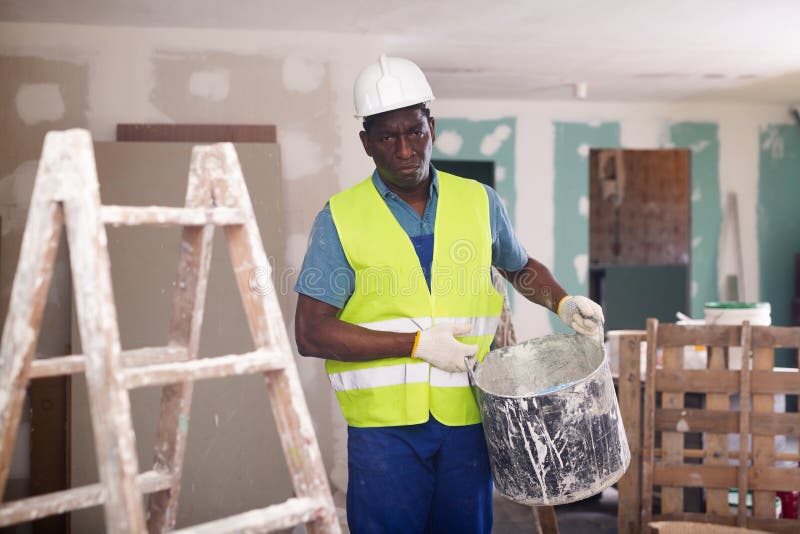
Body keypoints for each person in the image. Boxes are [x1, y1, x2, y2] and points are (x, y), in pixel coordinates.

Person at [293, 54, 603, 534]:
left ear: (431, 127)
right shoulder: (339, 218)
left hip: (468, 424)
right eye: (387, 137)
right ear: (365, 144)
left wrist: (563, 301)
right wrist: (416, 345)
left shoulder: (479, 201)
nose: (404, 150)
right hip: (384, 435)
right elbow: (311, 333)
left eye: (414, 132)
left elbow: (519, 267)